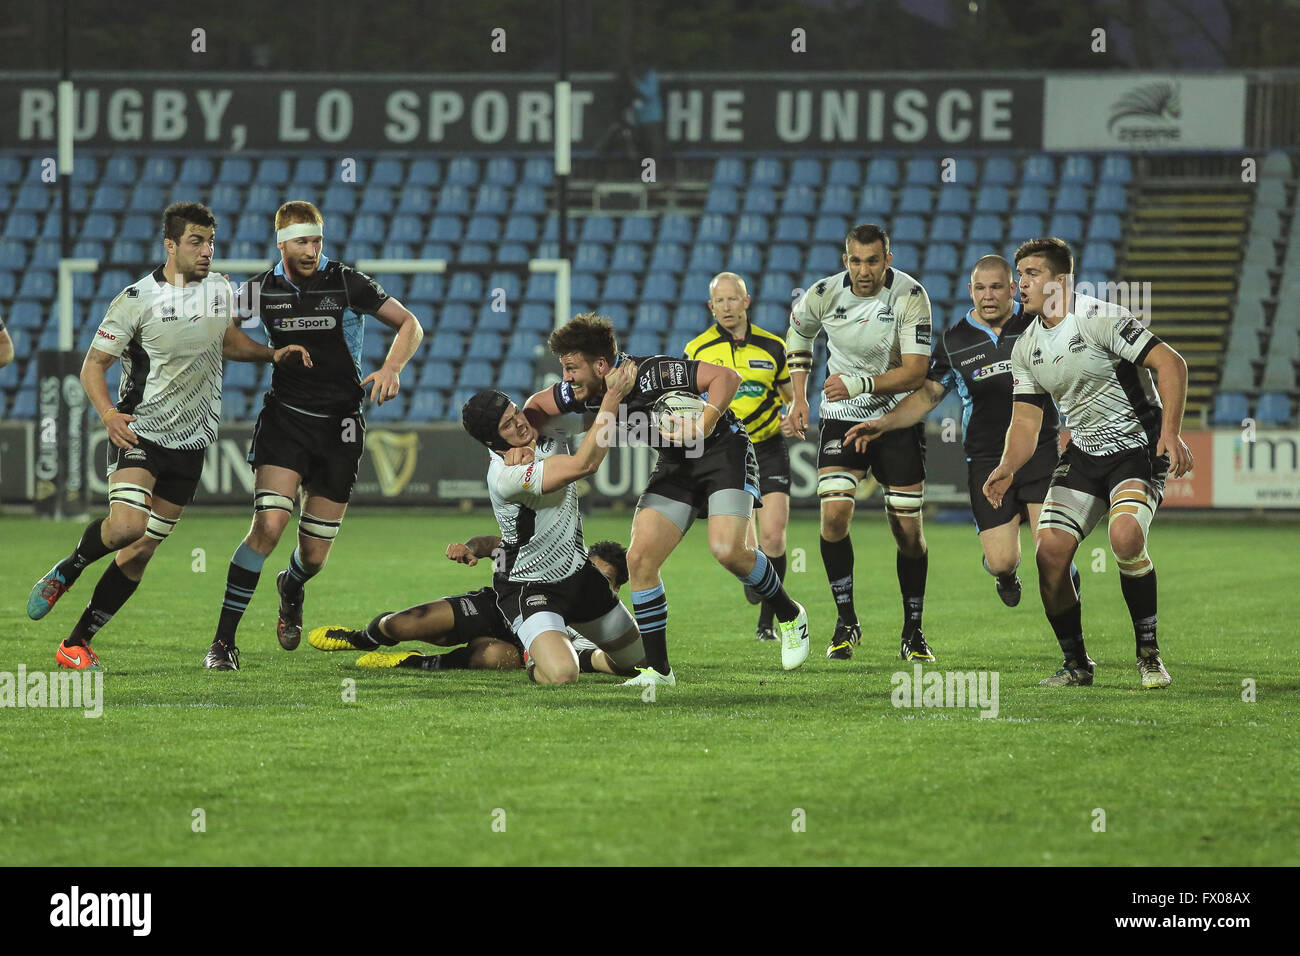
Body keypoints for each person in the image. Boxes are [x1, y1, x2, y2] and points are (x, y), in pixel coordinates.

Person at [25, 202, 310, 670]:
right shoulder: (136, 299)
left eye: (211, 242)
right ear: (170, 245)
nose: (206, 251)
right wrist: (108, 414)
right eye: (196, 242)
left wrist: (270, 354)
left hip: (191, 444)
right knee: (126, 527)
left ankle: (75, 643)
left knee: (139, 553)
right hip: (143, 433)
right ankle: (69, 568)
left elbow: (226, 340)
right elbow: (92, 365)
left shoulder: (220, 290)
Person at [524, 313, 809, 686]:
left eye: (572, 368)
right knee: (639, 557)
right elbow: (538, 405)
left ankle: (791, 616)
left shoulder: (652, 372)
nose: (566, 378)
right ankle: (658, 671)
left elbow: (727, 378)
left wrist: (703, 421)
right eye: (564, 369)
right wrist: (524, 441)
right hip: (677, 464)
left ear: (600, 364)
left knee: (727, 550)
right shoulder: (586, 392)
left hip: (723, 450)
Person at [207, 201, 424, 670]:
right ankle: (223, 643)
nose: (311, 250)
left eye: (317, 241)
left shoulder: (347, 281)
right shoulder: (260, 289)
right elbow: (226, 339)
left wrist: (392, 366)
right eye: (302, 241)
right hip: (286, 419)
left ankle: (292, 584)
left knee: (315, 555)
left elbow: (410, 323)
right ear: (282, 243)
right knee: (268, 524)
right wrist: (271, 353)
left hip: (342, 426)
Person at [983, 238, 1193, 689]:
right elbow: (1024, 422)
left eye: (1033, 274)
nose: (1021, 283)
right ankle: (1077, 664)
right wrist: (1006, 467)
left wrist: (1171, 433)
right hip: (1083, 454)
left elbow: (1170, 364)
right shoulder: (1026, 347)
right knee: (1050, 553)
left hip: (1137, 449)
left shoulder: (1101, 318)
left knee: (1125, 536)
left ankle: (1149, 653)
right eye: (1020, 274)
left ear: (1061, 281)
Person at [844, 255, 1080, 606]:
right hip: (986, 459)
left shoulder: (1038, 323)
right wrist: (884, 422)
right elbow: (927, 395)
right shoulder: (955, 341)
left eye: (997, 287)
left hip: (1039, 451)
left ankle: (1072, 630)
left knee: (1053, 554)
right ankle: (1004, 575)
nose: (988, 295)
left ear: (1012, 288)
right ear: (970, 291)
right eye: (980, 288)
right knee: (1002, 561)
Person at [785, 223, 935, 663]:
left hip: (895, 420)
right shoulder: (822, 293)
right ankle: (846, 620)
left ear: (887, 259)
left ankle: (913, 630)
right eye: (856, 260)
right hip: (841, 419)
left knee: (908, 532)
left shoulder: (910, 296)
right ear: (844, 259)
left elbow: (916, 371)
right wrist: (798, 397)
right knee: (833, 516)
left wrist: (858, 382)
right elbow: (799, 334)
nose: (864, 270)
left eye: (873, 260)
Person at [461, 361, 646, 685]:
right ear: (493, 442)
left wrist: (601, 384)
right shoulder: (506, 476)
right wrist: (613, 397)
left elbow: (583, 411)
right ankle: (535, 660)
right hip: (531, 585)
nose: (520, 422)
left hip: (579, 575)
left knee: (641, 664)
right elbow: (585, 464)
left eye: (516, 411)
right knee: (562, 675)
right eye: (508, 425)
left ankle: (584, 656)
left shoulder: (539, 425)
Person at [305, 539, 633, 676]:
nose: (589, 582)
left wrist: (630, 665)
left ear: (616, 589)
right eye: (587, 571)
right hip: (498, 608)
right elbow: (497, 544)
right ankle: (364, 637)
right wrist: (471, 548)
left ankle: (416, 663)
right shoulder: (553, 562)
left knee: (494, 657)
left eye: (602, 580)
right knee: (404, 624)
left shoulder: (599, 622)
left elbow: (599, 659)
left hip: (519, 645)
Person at [683, 272, 794, 641]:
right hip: (727, 452)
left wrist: (794, 413)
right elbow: (686, 400)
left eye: (733, 299)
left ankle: (767, 624)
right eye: (720, 301)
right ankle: (755, 573)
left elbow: (791, 394)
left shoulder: (774, 346)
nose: (727, 307)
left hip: (767, 445)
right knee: (742, 548)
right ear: (710, 307)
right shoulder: (696, 349)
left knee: (775, 539)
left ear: (746, 302)